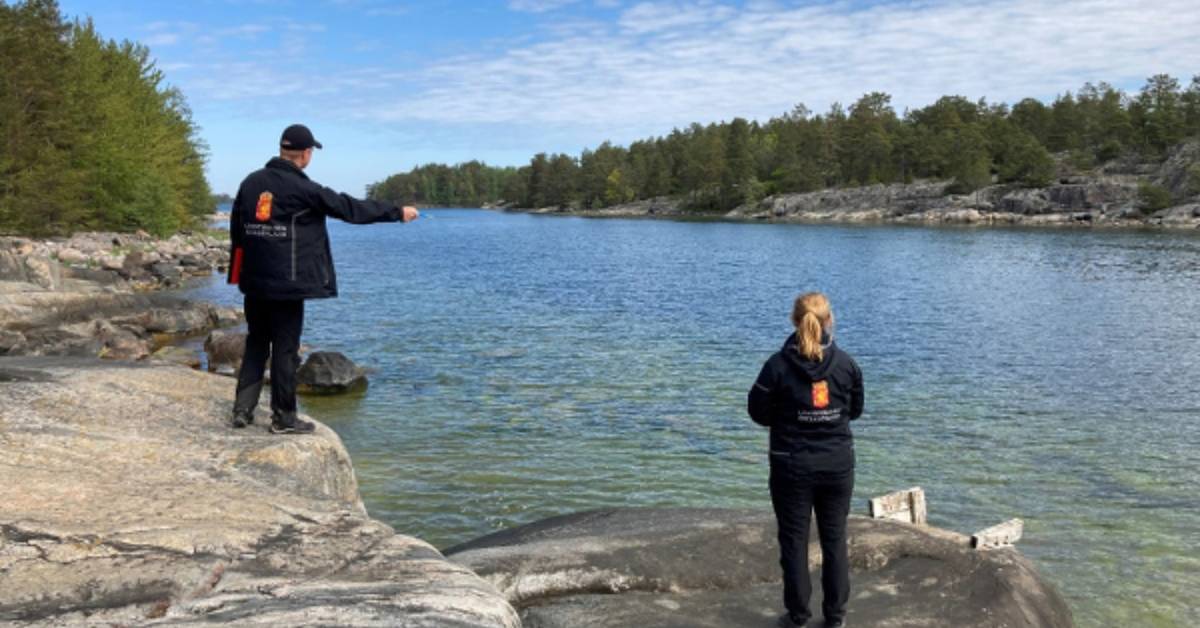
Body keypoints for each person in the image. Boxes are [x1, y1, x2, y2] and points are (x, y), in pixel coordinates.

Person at [226, 123, 419, 434]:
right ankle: (283, 418)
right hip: (287, 286)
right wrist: (396, 212)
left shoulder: (251, 183)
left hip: (256, 281)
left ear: (282, 149)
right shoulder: (304, 189)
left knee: (257, 344)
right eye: (310, 151)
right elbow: (349, 208)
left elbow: (237, 230)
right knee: (286, 351)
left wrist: (238, 274)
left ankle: (242, 411)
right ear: (305, 153)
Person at [748, 292, 864, 628]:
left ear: (794, 321)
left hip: (791, 465)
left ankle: (798, 616)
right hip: (837, 464)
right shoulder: (846, 364)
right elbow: (854, 411)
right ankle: (836, 617)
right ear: (830, 320)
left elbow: (757, 411)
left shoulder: (777, 366)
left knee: (794, 542)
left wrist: (788, 420)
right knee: (834, 540)